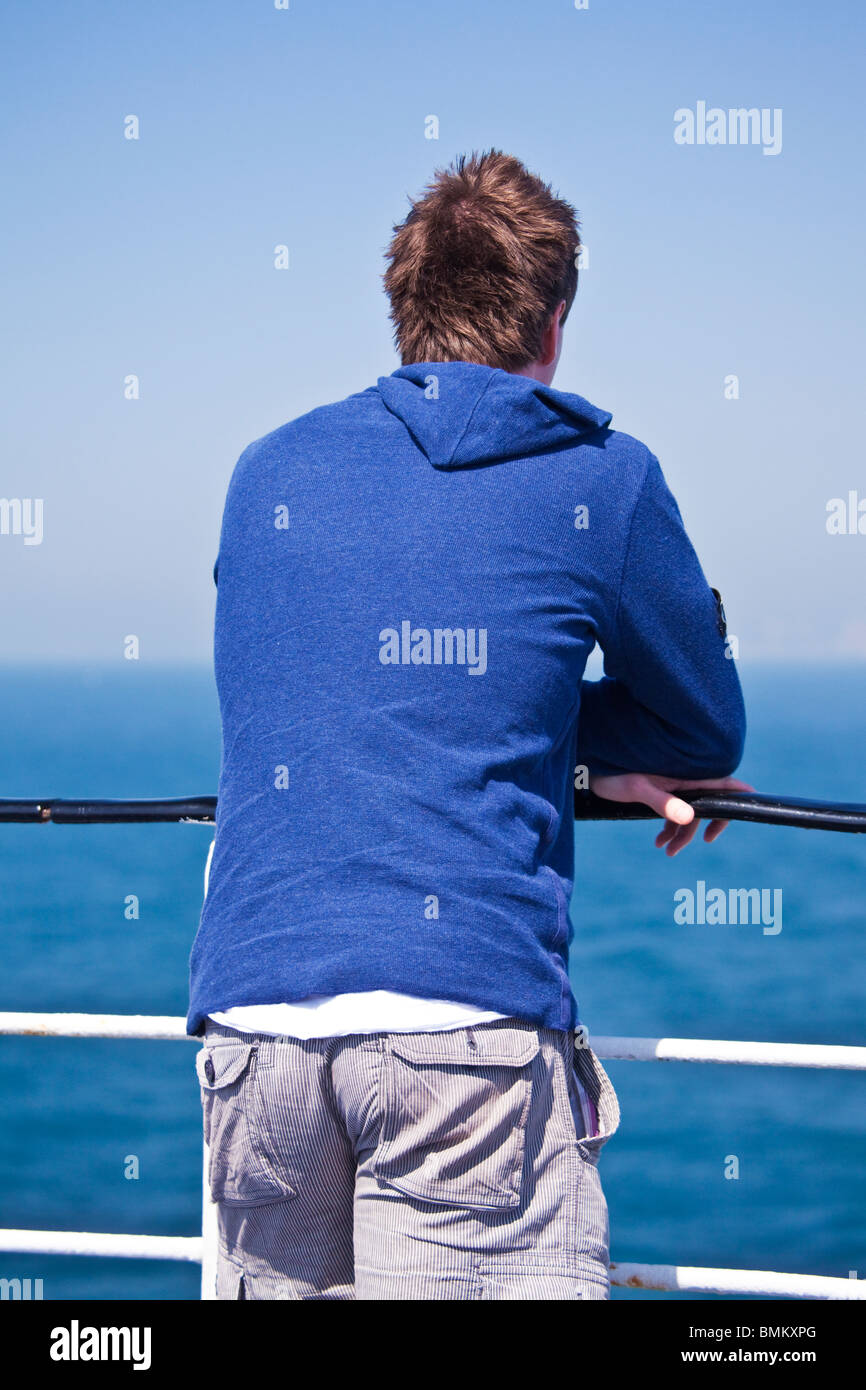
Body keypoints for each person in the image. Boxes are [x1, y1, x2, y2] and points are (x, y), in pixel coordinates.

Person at [187, 150, 747, 1300]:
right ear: (552, 321)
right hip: (463, 1037)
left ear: (402, 311)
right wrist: (584, 742)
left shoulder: (266, 470)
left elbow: (322, 689)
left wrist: (540, 724)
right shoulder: (602, 476)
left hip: (255, 1033)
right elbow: (701, 727)